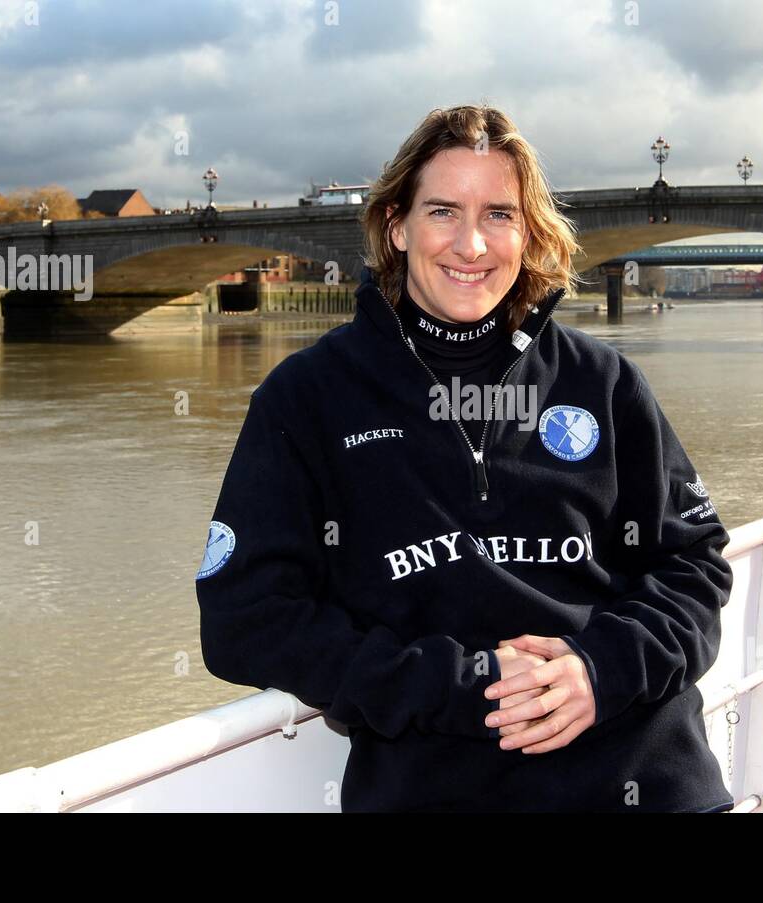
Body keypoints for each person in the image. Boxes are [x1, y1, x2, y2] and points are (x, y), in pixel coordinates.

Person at [195, 104, 735, 813]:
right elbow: (245, 619)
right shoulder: (308, 400)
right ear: (397, 224)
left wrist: (599, 669)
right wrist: (455, 685)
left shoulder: (603, 383)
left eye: (500, 215)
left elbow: (694, 565)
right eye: (444, 211)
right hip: (437, 787)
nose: (473, 243)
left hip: (649, 784)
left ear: (528, 231)